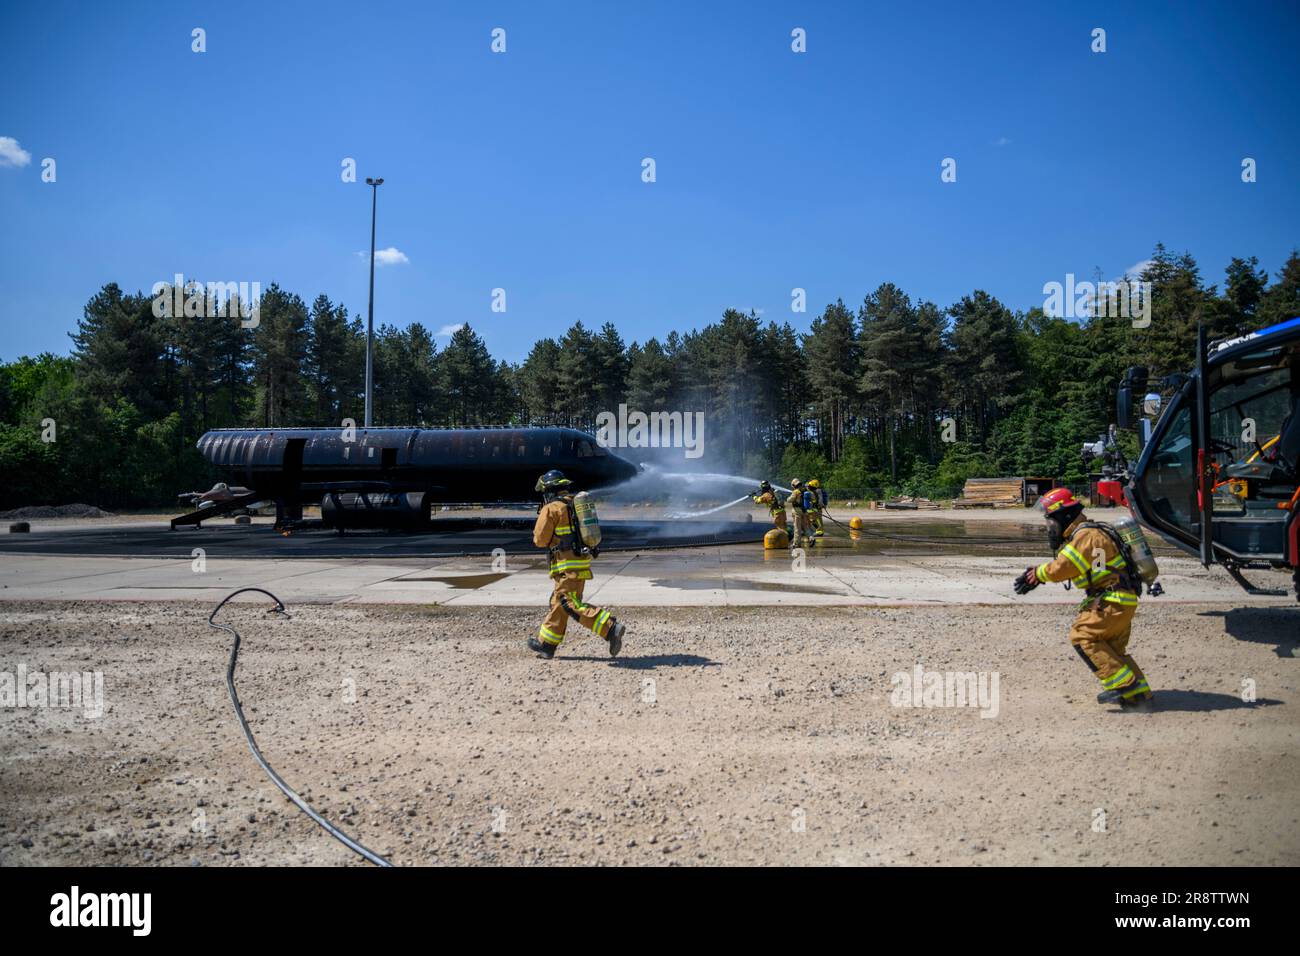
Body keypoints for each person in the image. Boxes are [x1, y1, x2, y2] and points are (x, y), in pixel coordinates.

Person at [1013, 488, 1152, 707]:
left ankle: (1125, 686)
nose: (1050, 527)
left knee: (1083, 637)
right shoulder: (1090, 534)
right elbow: (1086, 567)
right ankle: (1139, 697)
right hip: (1119, 600)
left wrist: (1038, 575)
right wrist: (1040, 575)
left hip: (1111, 600)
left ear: (1064, 515)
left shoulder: (1086, 536)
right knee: (1112, 650)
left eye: (1051, 521)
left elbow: (1065, 566)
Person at [528, 469, 625, 659]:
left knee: (568, 603)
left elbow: (539, 540)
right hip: (580, 565)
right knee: (558, 604)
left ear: (549, 491)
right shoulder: (574, 505)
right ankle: (546, 645)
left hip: (566, 567)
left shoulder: (552, 509)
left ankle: (610, 628)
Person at [787, 478, 814, 549]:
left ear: (794, 485)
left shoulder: (795, 491)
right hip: (804, 511)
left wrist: (788, 497)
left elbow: (790, 500)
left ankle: (796, 544)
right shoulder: (805, 490)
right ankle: (811, 538)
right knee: (805, 527)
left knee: (797, 528)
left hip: (797, 512)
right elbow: (812, 497)